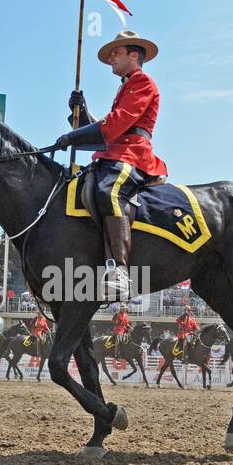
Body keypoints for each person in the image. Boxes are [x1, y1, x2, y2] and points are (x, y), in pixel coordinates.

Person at [55, 30, 168, 301]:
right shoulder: (126, 86)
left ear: (134, 55)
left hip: (133, 155)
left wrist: (74, 136)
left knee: (108, 190)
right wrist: (79, 114)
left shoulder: (143, 82)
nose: (110, 59)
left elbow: (115, 125)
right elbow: (108, 131)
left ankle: (118, 269)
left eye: (116, 53)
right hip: (114, 153)